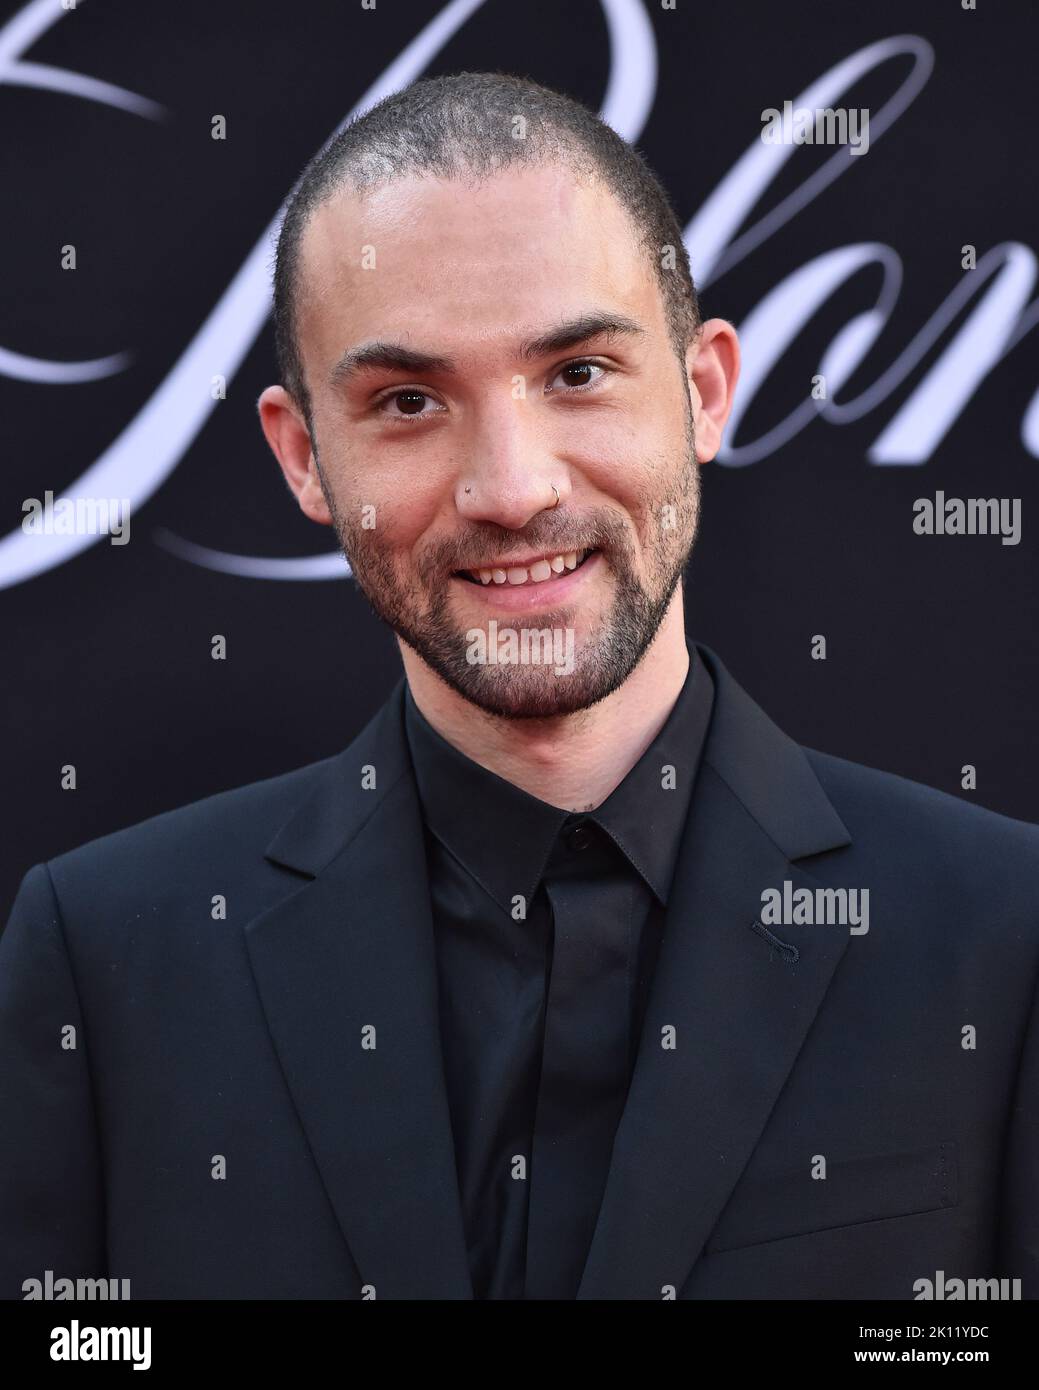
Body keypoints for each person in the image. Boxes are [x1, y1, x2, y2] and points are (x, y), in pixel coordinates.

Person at [2, 72, 1037, 1302]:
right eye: (406, 401)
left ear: (703, 391)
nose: (511, 487)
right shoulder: (106, 955)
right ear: (303, 457)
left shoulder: (1003, 940)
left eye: (578, 374)